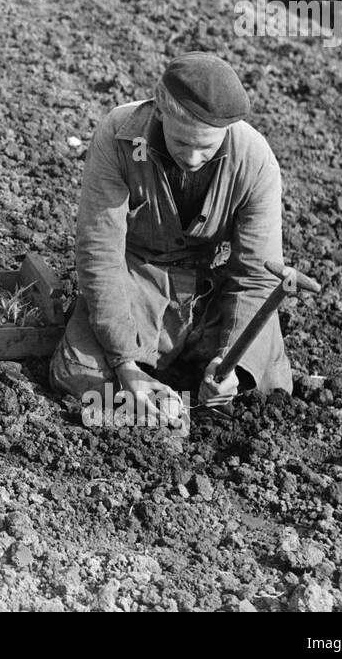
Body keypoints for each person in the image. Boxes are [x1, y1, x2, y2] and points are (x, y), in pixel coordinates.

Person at [50, 51, 292, 418]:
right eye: (182, 144)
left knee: (262, 385)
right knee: (81, 373)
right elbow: (100, 252)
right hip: (137, 282)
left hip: (208, 294)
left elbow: (256, 276)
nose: (193, 159)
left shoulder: (256, 162)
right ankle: (142, 373)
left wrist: (232, 367)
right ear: (161, 111)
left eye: (206, 148)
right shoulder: (119, 135)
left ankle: (206, 381)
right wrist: (125, 363)